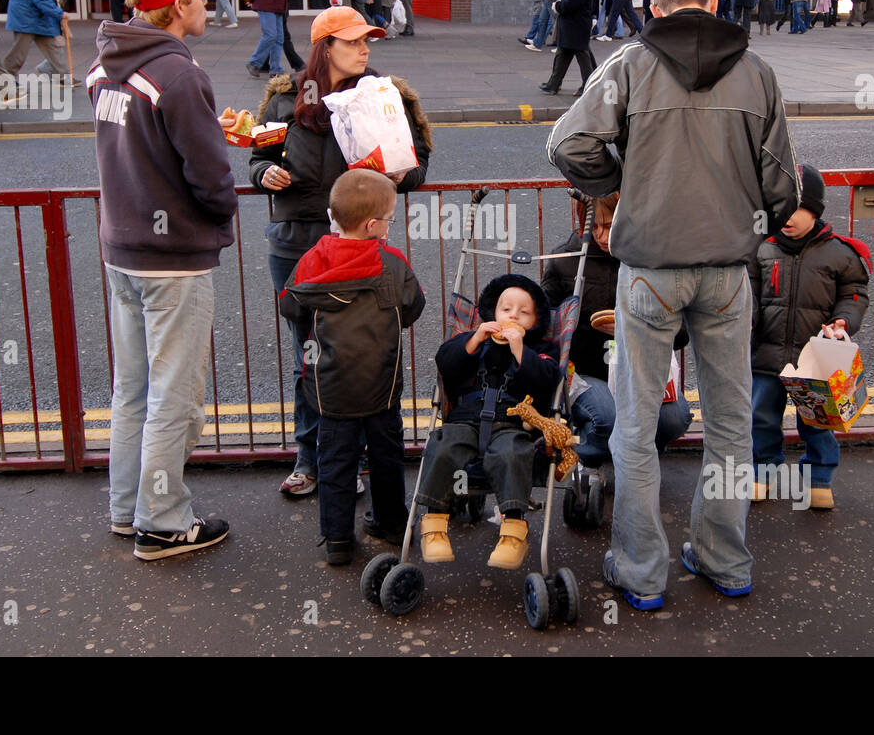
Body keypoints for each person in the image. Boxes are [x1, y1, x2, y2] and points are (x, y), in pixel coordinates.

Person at [548, 0, 799, 609]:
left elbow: (565, 144)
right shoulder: (758, 72)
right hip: (726, 272)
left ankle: (640, 572)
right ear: (714, 4)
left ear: (656, 8)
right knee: (728, 423)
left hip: (651, 269)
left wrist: (619, 186)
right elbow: (783, 185)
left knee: (634, 425)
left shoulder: (630, 64)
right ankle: (723, 559)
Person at [249, 6, 432, 500]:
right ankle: (312, 460)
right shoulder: (286, 99)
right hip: (297, 243)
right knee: (308, 358)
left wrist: (399, 176)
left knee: (364, 355)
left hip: (359, 247)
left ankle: (367, 458)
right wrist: (263, 174)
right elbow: (258, 155)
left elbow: (417, 165)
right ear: (324, 47)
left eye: (367, 39)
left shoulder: (384, 96)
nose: (364, 48)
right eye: (352, 41)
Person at [90, 0, 237, 560]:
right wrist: (220, 208)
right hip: (171, 258)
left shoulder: (105, 66)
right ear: (178, 6)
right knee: (173, 398)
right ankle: (165, 522)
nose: (207, 3)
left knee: (134, 391)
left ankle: (128, 509)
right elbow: (209, 175)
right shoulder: (178, 75)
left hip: (121, 247)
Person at [279, 169, 426, 564]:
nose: (390, 226)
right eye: (390, 219)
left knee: (335, 461)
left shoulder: (313, 260)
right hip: (381, 382)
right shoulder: (392, 262)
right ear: (373, 225)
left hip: (329, 387)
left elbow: (290, 305)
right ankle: (392, 523)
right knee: (386, 455)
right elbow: (413, 306)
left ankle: (338, 538)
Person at [416, 274, 560, 570]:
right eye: (506, 309)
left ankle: (513, 531)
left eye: (523, 312)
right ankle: (433, 524)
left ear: (535, 321)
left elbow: (547, 382)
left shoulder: (541, 352)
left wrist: (521, 350)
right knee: (443, 445)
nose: (513, 316)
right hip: (465, 419)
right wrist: (474, 339)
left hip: (511, 423)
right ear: (494, 313)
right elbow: (446, 364)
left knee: (513, 453)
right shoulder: (473, 340)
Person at [749, 164, 869, 511]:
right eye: (778, 205)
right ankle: (762, 473)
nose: (785, 215)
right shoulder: (760, 248)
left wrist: (844, 321)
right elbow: (750, 296)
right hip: (766, 357)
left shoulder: (841, 253)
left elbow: (854, 293)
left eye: (796, 206)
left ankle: (819, 481)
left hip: (815, 362)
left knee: (818, 423)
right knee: (762, 418)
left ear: (815, 209)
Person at [541, 192, 692, 466]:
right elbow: (545, 325)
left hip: (641, 368)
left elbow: (682, 334)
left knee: (674, 417)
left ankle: (642, 458)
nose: (600, 235)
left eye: (610, 226)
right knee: (606, 417)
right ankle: (590, 460)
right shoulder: (565, 259)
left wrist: (642, 328)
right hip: (585, 370)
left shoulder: (654, 260)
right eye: (593, 226)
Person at [539, 0, 597, 97]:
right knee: (563, 55)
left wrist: (557, 5)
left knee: (583, 59)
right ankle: (553, 84)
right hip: (573, 27)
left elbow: (567, 5)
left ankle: (588, 86)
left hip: (576, 27)